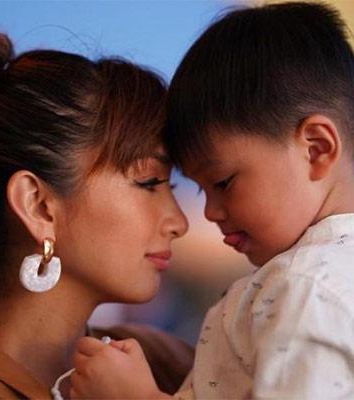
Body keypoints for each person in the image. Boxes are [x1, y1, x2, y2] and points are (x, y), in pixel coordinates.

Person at [70, 2, 354, 399]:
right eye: (202, 189)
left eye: (223, 182)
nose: (208, 212)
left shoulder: (307, 287)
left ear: (316, 149)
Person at [0, 27, 191, 399]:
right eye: (148, 183)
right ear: (38, 205)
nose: (180, 222)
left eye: (172, 187)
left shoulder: (160, 362)